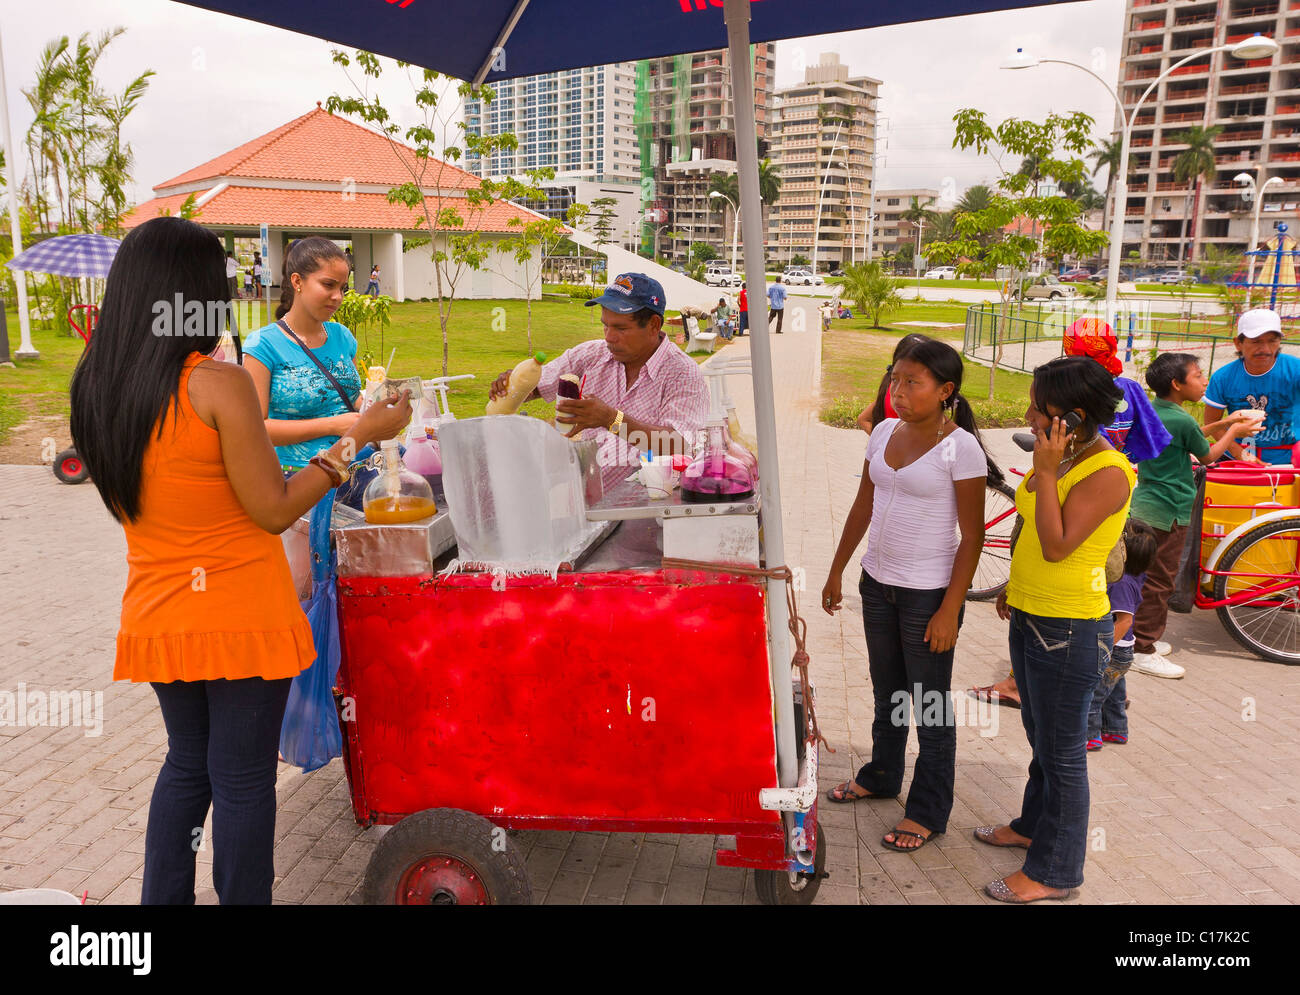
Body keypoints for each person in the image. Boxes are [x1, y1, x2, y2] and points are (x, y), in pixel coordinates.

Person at [67, 217, 411, 904]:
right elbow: (274, 507)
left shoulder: (98, 388)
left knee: (186, 768)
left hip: (159, 612)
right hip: (240, 617)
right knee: (244, 779)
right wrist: (357, 440)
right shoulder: (216, 384)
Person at [821, 339, 997, 852]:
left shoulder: (959, 447)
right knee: (888, 691)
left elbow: (974, 536)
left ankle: (927, 810)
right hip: (877, 583)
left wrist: (948, 610)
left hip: (928, 594)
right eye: (895, 379)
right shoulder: (881, 431)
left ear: (946, 391)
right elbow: (863, 503)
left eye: (912, 382)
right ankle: (881, 775)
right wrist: (836, 570)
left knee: (930, 704)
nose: (898, 391)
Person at [979, 355, 1133, 904]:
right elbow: (1030, 532)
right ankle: (1030, 826)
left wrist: (1045, 472)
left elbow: (1059, 544)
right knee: (1041, 739)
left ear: (1073, 416)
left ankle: (1055, 872)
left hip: (1068, 628)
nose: (1027, 414)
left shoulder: (1108, 472)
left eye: (1037, 408)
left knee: (1063, 752)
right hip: (1031, 613)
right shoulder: (1064, 455)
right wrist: (1011, 587)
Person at [488, 273, 709, 493]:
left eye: (621, 329)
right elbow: (535, 384)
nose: (609, 337)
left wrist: (612, 420)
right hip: (579, 495)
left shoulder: (682, 373)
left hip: (644, 508)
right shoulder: (591, 355)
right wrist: (514, 385)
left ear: (653, 325)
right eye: (606, 326)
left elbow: (679, 444)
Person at [1129, 352, 1261, 678]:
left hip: (1144, 505)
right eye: (1198, 375)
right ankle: (1143, 649)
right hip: (1169, 512)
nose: (1205, 381)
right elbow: (1209, 455)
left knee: (1141, 578)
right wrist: (1233, 432)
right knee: (1160, 582)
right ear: (1177, 384)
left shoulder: (1155, 410)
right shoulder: (1181, 419)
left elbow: (1185, 434)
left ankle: (1132, 639)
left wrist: (1224, 423)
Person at [242, 238, 364, 474]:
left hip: (356, 466)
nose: (338, 297)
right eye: (328, 285)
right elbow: (255, 429)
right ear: (297, 281)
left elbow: (351, 397)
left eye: (342, 288)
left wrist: (376, 406)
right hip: (300, 478)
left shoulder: (342, 336)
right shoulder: (263, 345)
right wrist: (333, 425)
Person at [1087, 521, 1157, 751]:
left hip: (1115, 650)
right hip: (1123, 650)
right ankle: (1115, 729)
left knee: (1093, 695)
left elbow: (1124, 620)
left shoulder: (1122, 583)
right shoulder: (1137, 575)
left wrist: (1103, 650)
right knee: (1115, 692)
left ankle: (1089, 735)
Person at [1202, 308, 1299, 465]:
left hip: (1291, 459)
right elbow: (1212, 423)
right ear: (1238, 343)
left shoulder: (1296, 371)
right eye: (1256, 341)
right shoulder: (1223, 377)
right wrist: (1241, 455)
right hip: (1238, 458)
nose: (1265, 349)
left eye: (1272, 341)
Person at [856, 333, 932, 434]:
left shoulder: (890, 388)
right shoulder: (907, 397)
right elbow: (863, 419)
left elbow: (863, 419)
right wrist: (882, 442)